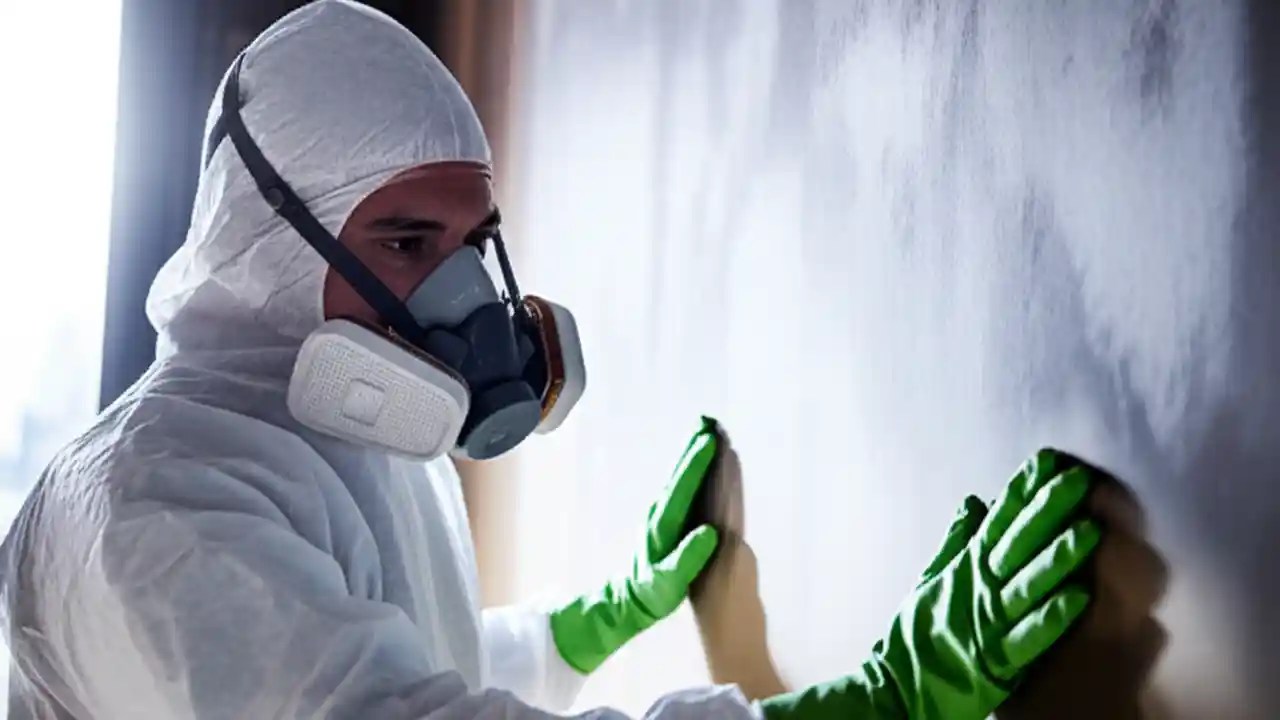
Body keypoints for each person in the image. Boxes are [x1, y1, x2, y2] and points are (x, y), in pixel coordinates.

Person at [0, 2, 1123, 718]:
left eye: (474, 243)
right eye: (406, 244)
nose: (460, 302)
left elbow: (402, 663)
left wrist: (596, 619)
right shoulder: (157, 499)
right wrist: (872, 704)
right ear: (275, 244)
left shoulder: (342, 428)